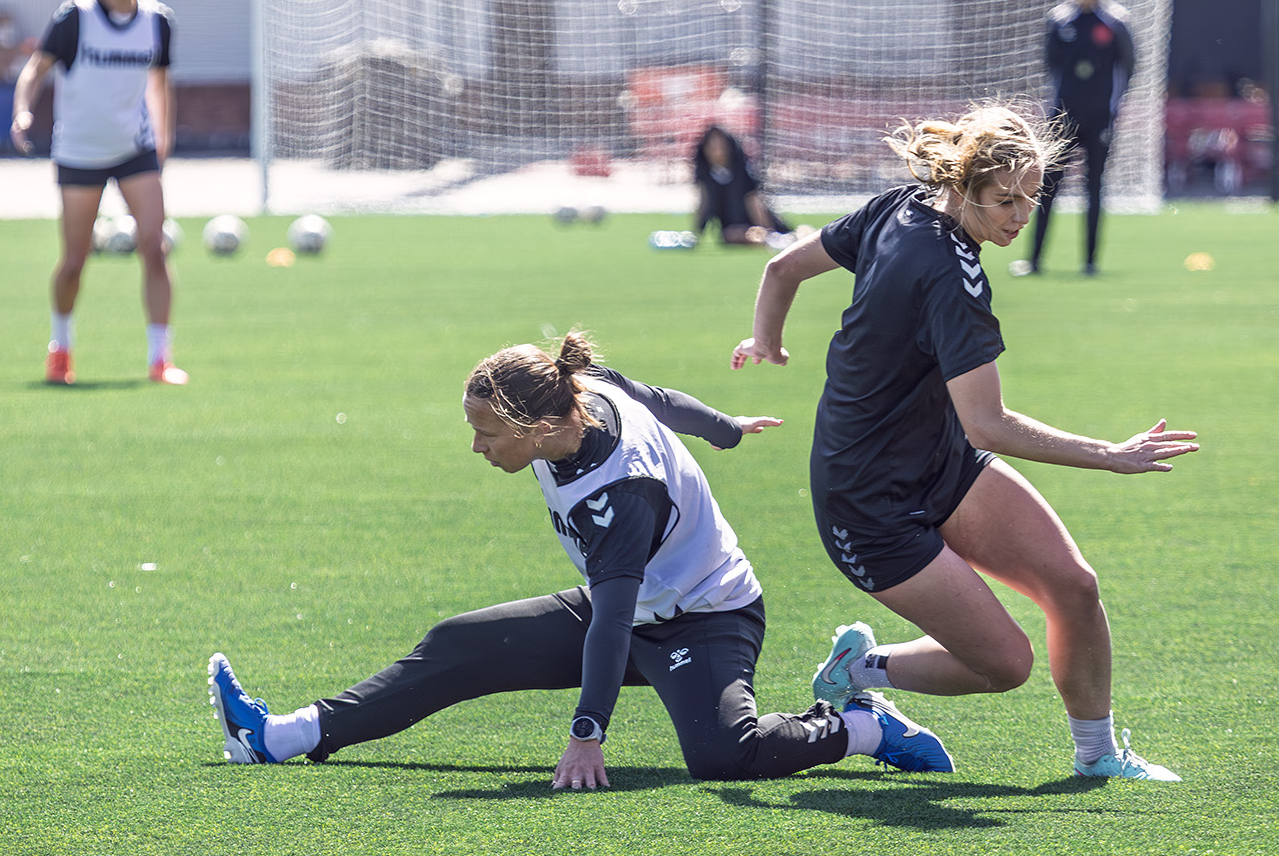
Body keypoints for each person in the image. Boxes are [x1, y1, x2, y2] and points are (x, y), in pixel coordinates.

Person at [209, 332, 955, 787]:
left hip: (706, 617)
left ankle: (860, 727)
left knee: (725, 756)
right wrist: (726, 429)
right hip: (629, 607)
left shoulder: (618, 493)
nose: (477, 447)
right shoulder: (581, 387)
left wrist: (586, 731)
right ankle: (280, 735)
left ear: (536, 427)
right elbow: (660, 398)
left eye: (488, 434)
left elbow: (614, 621)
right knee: (457, 645)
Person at [731, 104, 1199, 781]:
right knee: (1005, 665)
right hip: (867, 502)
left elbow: (782, 272)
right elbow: (990, 424)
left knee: (1074, 585)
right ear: (964, 186)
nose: (1021, 215)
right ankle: (862, 669)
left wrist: (766, 342)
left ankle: (1099, 758)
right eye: (1006, 200)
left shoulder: (901, 204)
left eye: (1033, 197)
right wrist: (1111, 455)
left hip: (936, 459)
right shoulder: (951, 275)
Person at [10, 0, 185, 386]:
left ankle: (159, 359)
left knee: (154, 245)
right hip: (80, 151)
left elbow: (159, 82)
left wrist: (163, 137)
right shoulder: (75, 17)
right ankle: (61, 349)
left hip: (134, 149)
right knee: (74, 259)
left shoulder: (157, 21)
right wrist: (23, 111)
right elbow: (35, 69)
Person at [1020, 0, 1136, 277]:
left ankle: (1089, 261)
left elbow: (1128, 69)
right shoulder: (1059, 21)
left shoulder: (1115, 22)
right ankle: (1034, 259)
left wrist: (1113, 110)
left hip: (1099, 119)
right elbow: (1051, 68)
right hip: (1062, 119)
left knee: (1094, 187)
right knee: (1048, 187)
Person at [692, 125, 787, 246]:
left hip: (751, 223)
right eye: (712, 144)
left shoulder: (742, 171)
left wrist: (767, 232)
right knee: (731, 235)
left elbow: (754, 201)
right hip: (730, 229)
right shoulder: (705, 174)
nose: (716, 148)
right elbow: (703, 201)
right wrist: (696, 233)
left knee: (741, 235)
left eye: (720, 144)